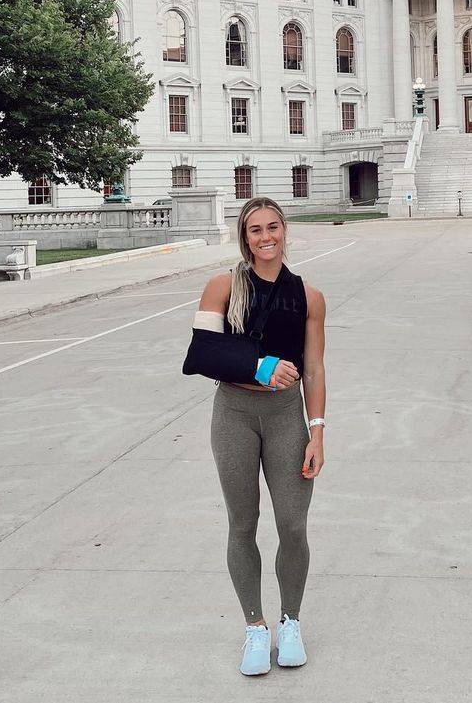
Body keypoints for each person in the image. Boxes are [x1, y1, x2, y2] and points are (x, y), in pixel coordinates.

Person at [184, 196, 327, 676]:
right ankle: (255, 628)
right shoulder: (223, 286)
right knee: (242, 524)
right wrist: (260, 366)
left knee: (292, 524)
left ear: (285, 230)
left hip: (287, 417)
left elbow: (314, 367)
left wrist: (318, 431)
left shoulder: (308, 296)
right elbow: (201, 353)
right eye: (254, 230)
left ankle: (290, 622)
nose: (265, 238)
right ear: (244, 238)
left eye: (273, 228)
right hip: (234, 414)